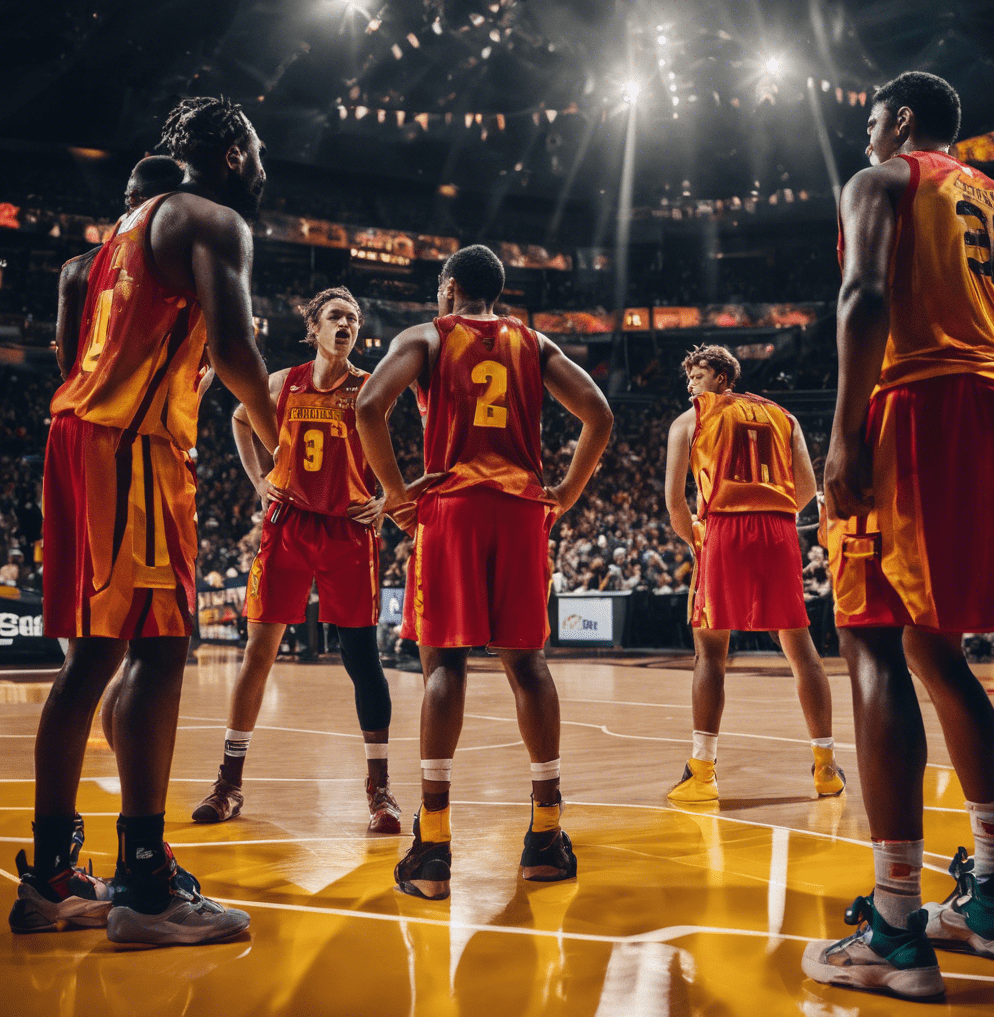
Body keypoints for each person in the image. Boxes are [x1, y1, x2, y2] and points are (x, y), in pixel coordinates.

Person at [9, 96, 278, 946]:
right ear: (233, 152)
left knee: (95, 659)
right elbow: (236, 350)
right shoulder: (213, 219)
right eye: (258, 151)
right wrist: (283, 446)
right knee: (161, 653)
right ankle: (147, 888)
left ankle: (56, 876)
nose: (264, 166)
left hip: (78, 433)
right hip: (133, 445)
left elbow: (79, 353)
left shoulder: (110, 244)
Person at [801, 71, 994, 1002]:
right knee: (939, 649)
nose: (864, 137)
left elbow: (862, 300)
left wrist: (847, 435)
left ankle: (895, 928)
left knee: (869, 640)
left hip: (919, 409)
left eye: (869, 121)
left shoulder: (887, 179)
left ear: (899, 120)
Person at [356, 244, 613, 900]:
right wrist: (569, 490)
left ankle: (435, 847)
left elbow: (367, 407)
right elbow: (600, 415)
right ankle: (546, 837)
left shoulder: (429, 337)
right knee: (528, 667)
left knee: (444, 666)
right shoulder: (535, 343)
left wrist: (396, 496)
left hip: (453, 508)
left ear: (448, 289)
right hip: (522, 509)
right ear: (498, 294)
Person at [190, 286, 401, 834]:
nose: (347, 324)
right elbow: (241, 418)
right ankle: (229, 783)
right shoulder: (283, 383)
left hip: (348, 530)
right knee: (258, 651)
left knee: (362, 660)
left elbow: (393, 447)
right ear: (315, 327)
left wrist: (387, 496)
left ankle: (379, 790)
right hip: (288, 527)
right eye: (337, 316)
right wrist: (261, 480)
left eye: (354, 318)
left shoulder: (370, 386)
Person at [663, 344, 845, 802]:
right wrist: (773, 513)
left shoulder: (690, 421)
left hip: (723, 527)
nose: (691, 387)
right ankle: (826, 767)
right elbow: (807, 486)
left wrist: (697, 540)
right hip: (779, 529)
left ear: (723, 377)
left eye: (699, 377)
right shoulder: (785, 417)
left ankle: (702, 772)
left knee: (710, 653)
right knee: (800, 647)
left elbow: (674, 502)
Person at [55, 156, 185, 379]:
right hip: (133, 410)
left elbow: (66, 362)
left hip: (78, 405)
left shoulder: (74, 269)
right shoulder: (178, 275)